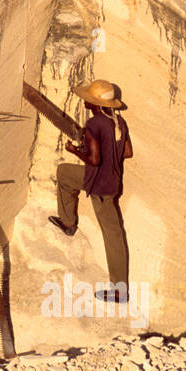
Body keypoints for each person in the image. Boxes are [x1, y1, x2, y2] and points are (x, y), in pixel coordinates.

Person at [48, 79, 133, 301]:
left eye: (88, 99)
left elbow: (94, 160)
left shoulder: (96, 123)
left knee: (112, 234)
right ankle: (67, 222)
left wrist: (75, 150)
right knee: (66, 174)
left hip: (99, 185)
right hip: (112, 182)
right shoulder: (118, 122)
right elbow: (127, 152)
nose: (85, 101)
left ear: (95, 104)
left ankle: (119, 292)